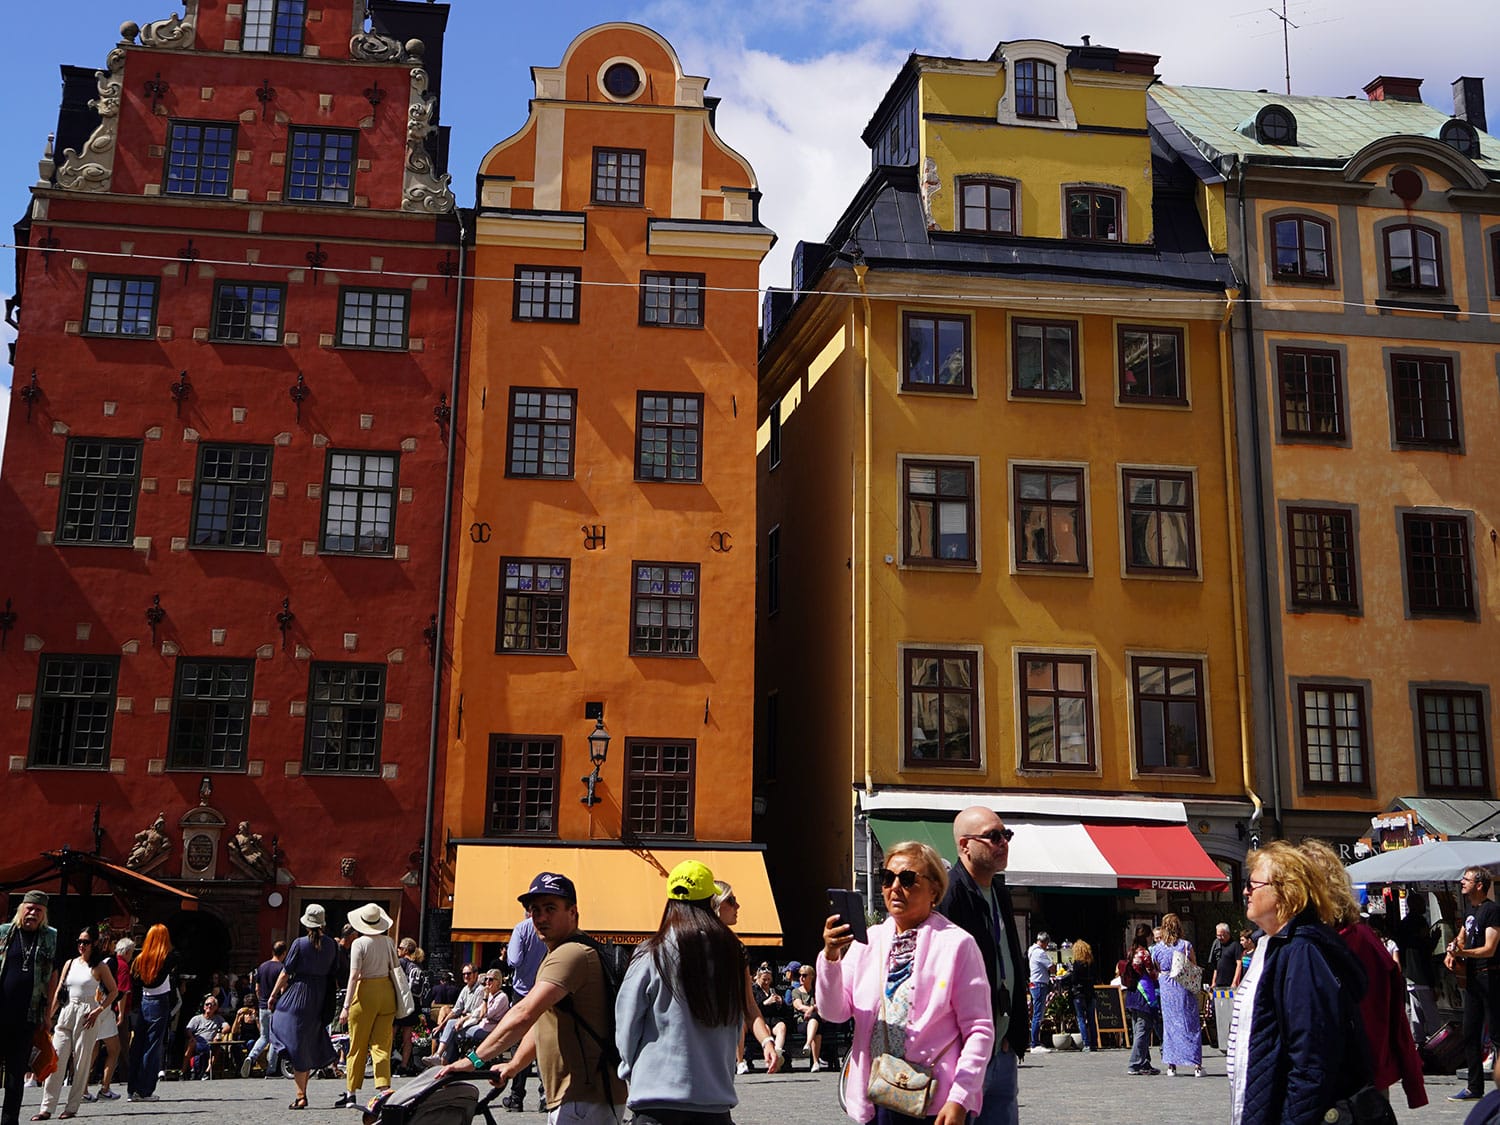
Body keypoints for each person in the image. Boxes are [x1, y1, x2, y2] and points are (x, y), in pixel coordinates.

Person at [820, 840, 992, 1125]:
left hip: (934, 1101)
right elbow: (833, 1012)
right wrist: (830, 957)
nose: (895, 887)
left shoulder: (957, 944)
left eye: (908, 879)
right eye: (887, 877)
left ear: (934, 889)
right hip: (875, 1097)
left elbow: (979, 1029)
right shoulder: (869, 941)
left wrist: (961, 1097)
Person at [439, 872, 628, 1123]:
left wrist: (473, 1060)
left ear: (573, 912)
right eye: (535, 910)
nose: (540, 917)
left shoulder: (570, 954)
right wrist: (514, 1065)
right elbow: (541, 1023)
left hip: (584, 1098)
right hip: (580, 1096)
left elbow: (523, 1013)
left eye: (550, 908)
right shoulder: (561, 952)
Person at [616, 860, 780, 1124]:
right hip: (713, 1100)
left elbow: (627, 1022)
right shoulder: (732, 954)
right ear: (709, 902)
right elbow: (748, 1009)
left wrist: (629, 1068)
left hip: (657, 1097)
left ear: (671, 901)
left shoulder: (651, 953)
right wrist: (766, 1041)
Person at [1228, 840, 1368, 1125]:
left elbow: (1312, 1058)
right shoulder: (1271, 946)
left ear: (1285, 892)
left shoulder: (1302, 953)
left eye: (1252, 884)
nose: (1245, 891)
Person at [1300, 840, 1427, 1110]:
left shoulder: (1348, 943)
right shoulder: (1360, 938)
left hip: (1354, 1083)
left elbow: (1395, 1015)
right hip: (1361, 1076)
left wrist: (1413, 1084)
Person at [935, 806, 1028, 1125]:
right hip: (964, 1053)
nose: (1003, 842)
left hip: (1002, 1047)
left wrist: (1013, 1032)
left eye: (1006, 835)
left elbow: (1009, 958)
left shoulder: (1000, 891)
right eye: (993, 836)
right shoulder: (950, 896)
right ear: (964, 845)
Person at [36, 926, 118, 1119]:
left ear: (94, 944)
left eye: (86, 942)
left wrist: (98, 1010)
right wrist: (49, 1016)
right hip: (67, 1009)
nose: (81, 945)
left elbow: (114, 991)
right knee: (57, 1057)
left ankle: (72, 1106)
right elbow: (60, 990)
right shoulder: (70, 963)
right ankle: (46, 1107)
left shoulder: (99, 967)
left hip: (87, 1011)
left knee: (82, 1060)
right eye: (79, 941)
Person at [268, 903, 340, 1111]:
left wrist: (273, 995)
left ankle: (301, 1094)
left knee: (283, 1028)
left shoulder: (299, 943)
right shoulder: (332, 945)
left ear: (306, 924)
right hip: (319, 997)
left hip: (299, 994)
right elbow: (334, 971)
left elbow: (285, 972)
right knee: (305, 1044)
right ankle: (301, 1094)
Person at [0, 892, 60, 1125]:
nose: (33, 913)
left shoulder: (49, 938)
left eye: (38, 910)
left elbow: (52, 977)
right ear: (21, 909)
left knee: (16, 1076)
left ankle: (9, 1122)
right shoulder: (5, 933)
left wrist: (48, 1014)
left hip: (28, 1016)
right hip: (1, 1013)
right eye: (30, 908)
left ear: (44, 915)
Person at [1447, 865, 1500, 1102]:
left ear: (1479, 885)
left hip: (1491, 976)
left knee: (1497, 1033)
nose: (1462, 882)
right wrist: (1453, 949)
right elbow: (1462, 936)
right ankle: (1474, 1087)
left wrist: (1463, 953)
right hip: (1473, 979)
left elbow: (1489, 949)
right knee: (1469, 1033)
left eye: (1466, 879)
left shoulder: (1492, 911)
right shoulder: (1471, 910)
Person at [339, 903, 400, 1109]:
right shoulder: (389, 942)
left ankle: (351, 1093)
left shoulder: (359, 943)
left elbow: (354, 975)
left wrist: (346, 1006)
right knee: (382, 1045)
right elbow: (395, 968)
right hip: (387, 992)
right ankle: (383, 1089)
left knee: (357, 1044)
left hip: (365, 993)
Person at [501, 914, 549, 1112]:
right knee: (543, 1041)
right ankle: (545, 1096)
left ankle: (516, 1096)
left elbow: (514, 960)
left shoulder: (521, 929)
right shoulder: (550, 926)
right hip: (544, 989)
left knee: (520, 1043)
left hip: (522, 993)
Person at [125, 923, 175, 1104]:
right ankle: (144, 1089)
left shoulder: (140, 959)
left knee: (138, 1044)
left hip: (145, 1001)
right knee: (153, 1046)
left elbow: (137, 982)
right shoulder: (166, 958)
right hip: (159, 1001)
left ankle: (132, 1088)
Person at [1151, 913, 1202, 1078]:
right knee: (1190, 1024)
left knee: (1170, 1025)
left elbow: (1157, 967)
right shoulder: (1185, 945)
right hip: (1183, 986)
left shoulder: (1157, 949)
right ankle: (1197, 1065)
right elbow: (1193, 965)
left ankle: (1171, 1065)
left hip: (1167, 988)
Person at [713, 881, 753, 1077]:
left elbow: (749, 1002)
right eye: (731, 900)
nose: (737, 905)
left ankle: (740, 1060)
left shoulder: (737, 948)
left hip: (725, 1035)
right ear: (715, 904)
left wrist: (767, 1041)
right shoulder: (691, 944)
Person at [1396, 894, 1439, 1042]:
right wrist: (1434, 938)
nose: (1424, 906)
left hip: (1409, 974)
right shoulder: (1419, 922)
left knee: (1415, 1012)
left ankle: (1418, 1040)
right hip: (1421, 973)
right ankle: (1436, 1041)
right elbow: (1425, 948)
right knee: (1430, 1012)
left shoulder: (1403, 924)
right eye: (1421, 903)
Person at [241, 938, 286, 1078]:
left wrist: (261, 1001)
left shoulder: (262, 967)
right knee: (275, 1038)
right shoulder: (282, 968)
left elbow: (257, 988)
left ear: (272, 951)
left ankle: (251, 1057)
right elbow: (283, 989)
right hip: (276, 1007)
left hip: (262, 1006)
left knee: (264, 1036)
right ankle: (271, 1069)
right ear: (284, 953)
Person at [1122, 923, 1160, 1076]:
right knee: (1143, 1030)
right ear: (1147, 936)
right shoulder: (1144, 953)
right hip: (1143, 993)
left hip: (1132, 993)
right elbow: (1152, 973)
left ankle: (1144, 1063)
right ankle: (1135, 1063)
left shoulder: (1131, 951)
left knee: (1138, 1029)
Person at [393, 938, 429, 1075]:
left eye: (400, 947)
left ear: (406, 950)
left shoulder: (402, 963)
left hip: (401, 1002)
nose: (398, 949)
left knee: (391, 1032)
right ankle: (403, 1065)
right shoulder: (418, 966)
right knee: (407, 1036)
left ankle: (389, 1057)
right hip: (413, 1004)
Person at [1054, 939, 1096, 1052]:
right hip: (1090, 993)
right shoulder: (1091, 963)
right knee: (1091, 1019)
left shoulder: (1077, 964)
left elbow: (1074, 979)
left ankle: (1086, 1043)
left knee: (1081, 1018)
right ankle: (1094, 1043)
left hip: (1079, 994)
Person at [751, 967, 791, 1064]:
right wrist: (765, 1003)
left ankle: (777, 1053)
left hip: (774, 1019)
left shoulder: (774, 990)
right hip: (761, 1020)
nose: (766, 982)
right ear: (758, 978)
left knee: (782, 1026)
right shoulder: (753, 991)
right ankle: (769, 1056)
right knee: (766, 1029)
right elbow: (752, 1009)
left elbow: (785, 1010)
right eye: (764, 979)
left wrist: (781, 1002)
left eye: (769, 979)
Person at [181, 994, 226, 1080]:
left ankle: (207, 1072)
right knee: (191, 1043)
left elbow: (227, 1027)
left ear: (216, 1007)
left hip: (211, 1043)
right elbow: (188, 1030)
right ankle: (183, 1072)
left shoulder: (218, 1018)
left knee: (217, 1047)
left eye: (212, 1004)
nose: (209, 1006)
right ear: (204, 1007)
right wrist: (192, 1037)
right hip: (197, 1042)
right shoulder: (197, 1018)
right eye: (207, 1004)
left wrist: (219, 1034)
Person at [790, 965, 824, 1071]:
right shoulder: (796, 991)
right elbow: (799, 1006)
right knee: (816, 1025)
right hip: (802, 1022)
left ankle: (808, 1045)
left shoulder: (817, 992)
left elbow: (823, 1007)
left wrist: (811, 1009)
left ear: (811, 977)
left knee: (815, 1022)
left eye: (804, 975)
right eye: (799, 975)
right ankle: (815, 1062)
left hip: (816, 1022)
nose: (801, 978)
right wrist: (813, 1008)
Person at [1026, 933, 1052, 1052]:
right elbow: (1051, 967)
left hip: (1034, 984)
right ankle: (1035, 1044)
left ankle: (1035, 1041)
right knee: (1038, 1015)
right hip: (1040, 984)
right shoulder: (1040, 953)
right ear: (1044, 942)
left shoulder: (1031, 951)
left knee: (1036, 1014)